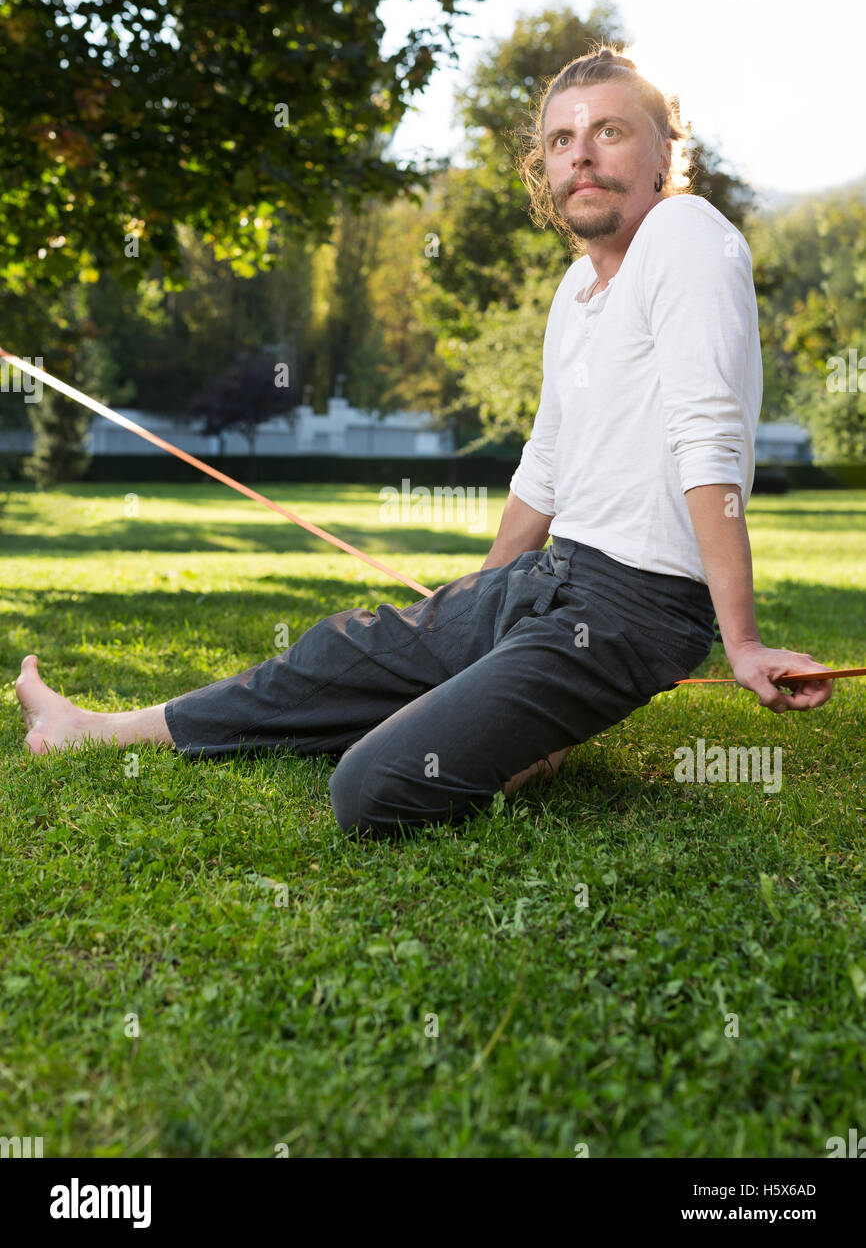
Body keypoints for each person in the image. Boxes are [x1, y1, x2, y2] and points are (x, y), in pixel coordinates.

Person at [16, 45, 834, 838]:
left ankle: (534, 743)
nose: (581, 156)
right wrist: (474, 611)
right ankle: (96, 728)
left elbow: (708, 437)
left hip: (637, 605)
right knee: (331, 653)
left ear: (664, 155)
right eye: (560, 140)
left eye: (609, 132)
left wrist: (743, 638)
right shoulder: (577, 288)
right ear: (545, 169)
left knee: (373, 787)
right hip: (548, 577)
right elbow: (545, 464)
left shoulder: (685, 233)